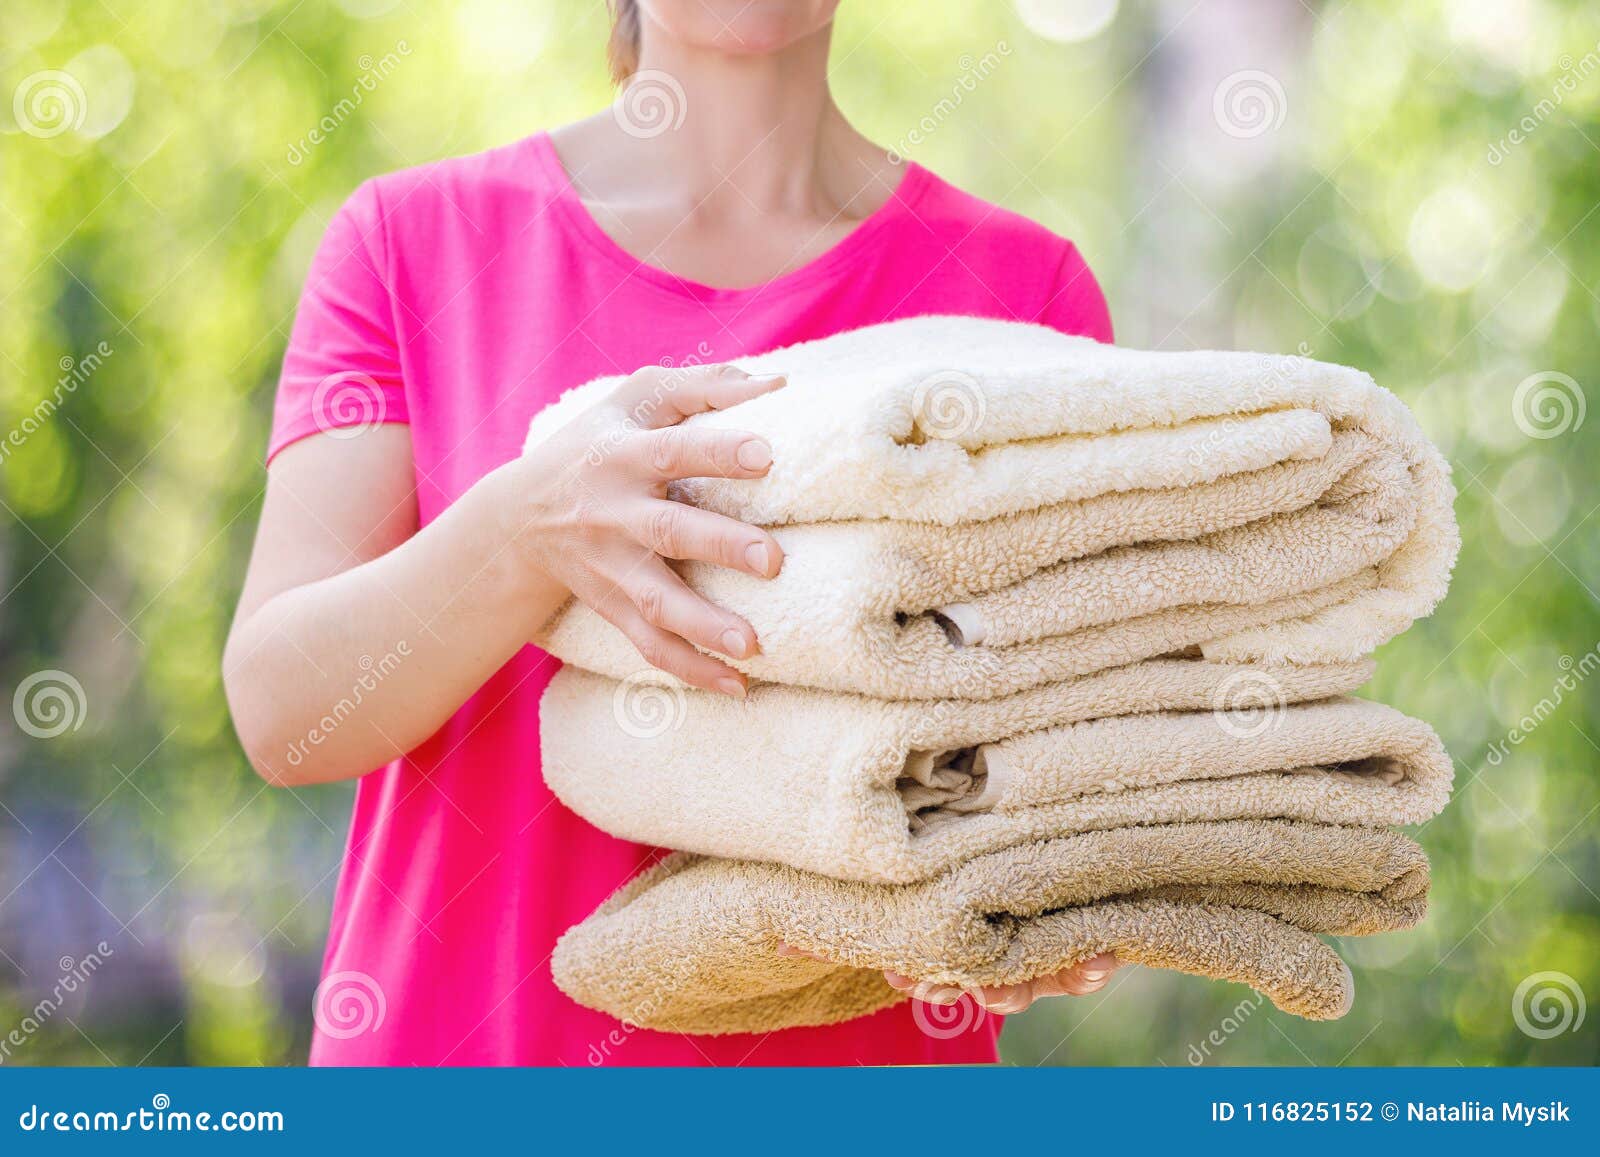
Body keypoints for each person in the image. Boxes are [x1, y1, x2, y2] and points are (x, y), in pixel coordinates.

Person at [224, 0, 1120, 1066]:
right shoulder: (413, 245)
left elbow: (1075, 753)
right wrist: (522, 532)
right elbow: (287, 713)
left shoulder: (1021, 295)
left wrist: (1054, 896)